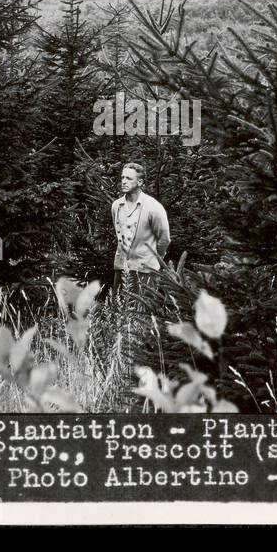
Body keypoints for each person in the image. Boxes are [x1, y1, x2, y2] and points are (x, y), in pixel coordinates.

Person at [107, 162, 170, 402]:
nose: (123, 181)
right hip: (122, 267)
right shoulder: (117, 206)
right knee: (119, 310)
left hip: (146, 269)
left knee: (141, 318)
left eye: (129, 178)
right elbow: (118, 231)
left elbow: (164, 239)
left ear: (140, 182)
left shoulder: (154, 208)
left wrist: (154, 260)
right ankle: (117, 360)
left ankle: (140, 366)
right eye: (122, 177)